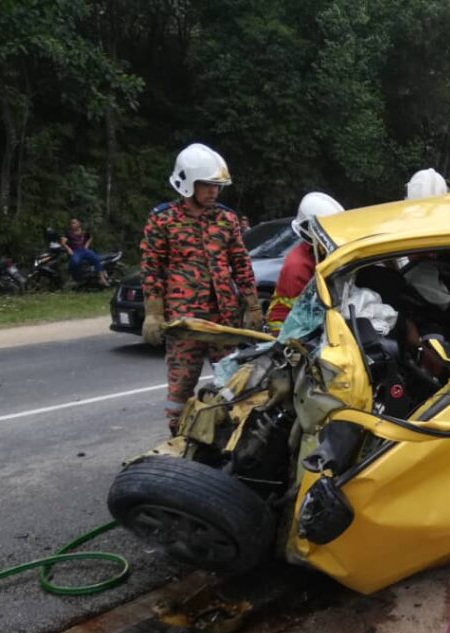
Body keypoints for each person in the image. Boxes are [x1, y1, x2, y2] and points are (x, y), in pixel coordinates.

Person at [140, 142, 261, 433]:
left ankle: (228, 437)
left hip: (223, 320)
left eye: (217, 186)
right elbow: (151, 268)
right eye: (207, 185)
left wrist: (253, 306)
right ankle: (179, 437)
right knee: (181, 386)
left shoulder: (226, 219)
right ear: (187, 183)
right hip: (186, 323)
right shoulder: (163, 219)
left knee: (232, 383)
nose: (213, 192)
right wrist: (153, 313)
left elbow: (241, 264)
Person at [265, 191, 345, 334]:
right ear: (310, 230)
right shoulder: (298, 266)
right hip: (286, 330)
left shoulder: (314, 254)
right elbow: (306, 312)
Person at [62, 218, 109, 287]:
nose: (72, 225)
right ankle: (73, 279)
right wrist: (69, 249)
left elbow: (90, 237)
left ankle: (102, 278)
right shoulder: (68, 233)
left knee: (96, 259)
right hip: (76, 251)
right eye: (71, 223)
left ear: (79, 224)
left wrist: (86, 245)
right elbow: (63, 242)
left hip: (84, 250)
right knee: (74, 262)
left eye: (74, 223)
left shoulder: (84, 232)